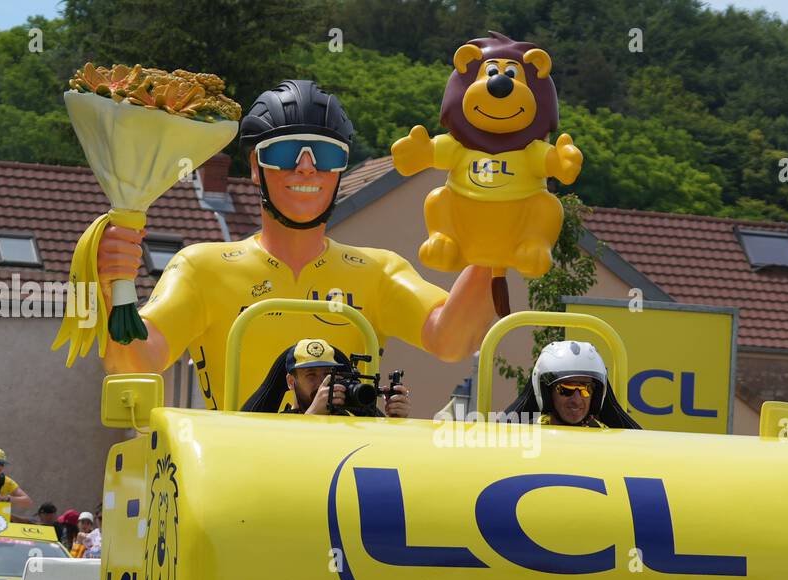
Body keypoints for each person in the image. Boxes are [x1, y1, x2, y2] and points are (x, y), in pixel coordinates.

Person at [98, 79, 498, 410]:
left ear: (341, 169)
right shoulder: (201, 268)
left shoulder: (378, 271)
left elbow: (450, 340)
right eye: (287, 152)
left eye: (325, 154)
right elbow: (135, 363)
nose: (306, 166)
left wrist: (490, 249)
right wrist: (113, 283)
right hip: (235, 472)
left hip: (344, 473)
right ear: (256, 167)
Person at [241, 338, 410, 417]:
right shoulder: (278, 424)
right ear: (291, 382)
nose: (322, 382)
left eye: (328, 374)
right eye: (311, 375)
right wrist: (313, 414)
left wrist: (394, 422)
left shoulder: (349, 421)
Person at [502, 340, 641, 428]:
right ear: (547, 394)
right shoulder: (527, 438)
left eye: (586, 389)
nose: (577, 400)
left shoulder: (611, 443)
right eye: (566, 389)